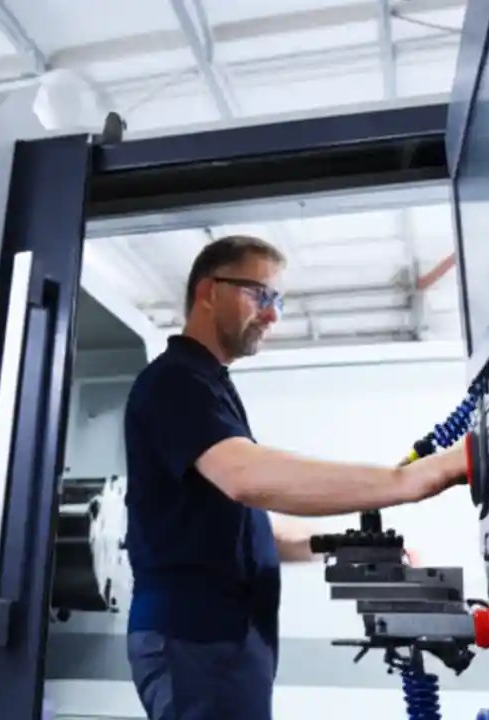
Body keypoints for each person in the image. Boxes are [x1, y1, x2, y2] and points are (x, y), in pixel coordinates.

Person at [122, 235, 469, 720]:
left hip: (227, 640)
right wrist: (410, 480)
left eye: (276, 300)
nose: (272, 315)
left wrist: (347, 547)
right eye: (260, 295)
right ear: (209, 291)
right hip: (196, 637)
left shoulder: (212, 387)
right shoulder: (174, 381)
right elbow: (245, 477)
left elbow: (251, 527)